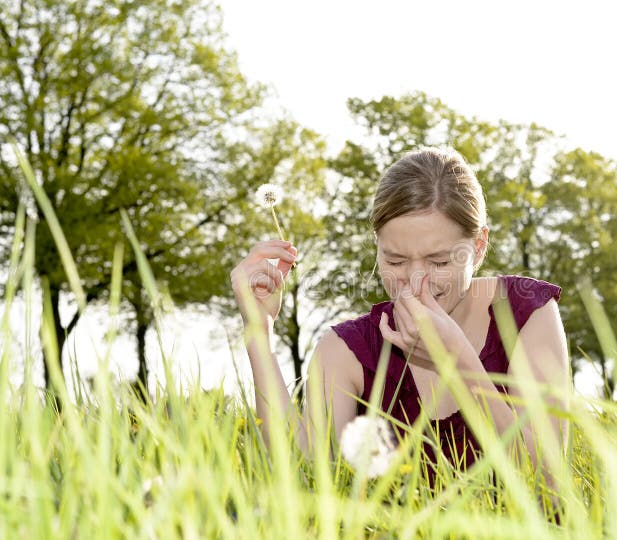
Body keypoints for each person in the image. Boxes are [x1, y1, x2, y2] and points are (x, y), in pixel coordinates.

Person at [230, 147, 570, 500]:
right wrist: (259, 333)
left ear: (479, 246)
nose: (415, 282)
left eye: (439, 262)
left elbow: (546, 481)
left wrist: (456, 360)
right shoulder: (347, 349)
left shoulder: (526, 312)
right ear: (377, 247)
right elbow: (302, 478)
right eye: (395, 261)